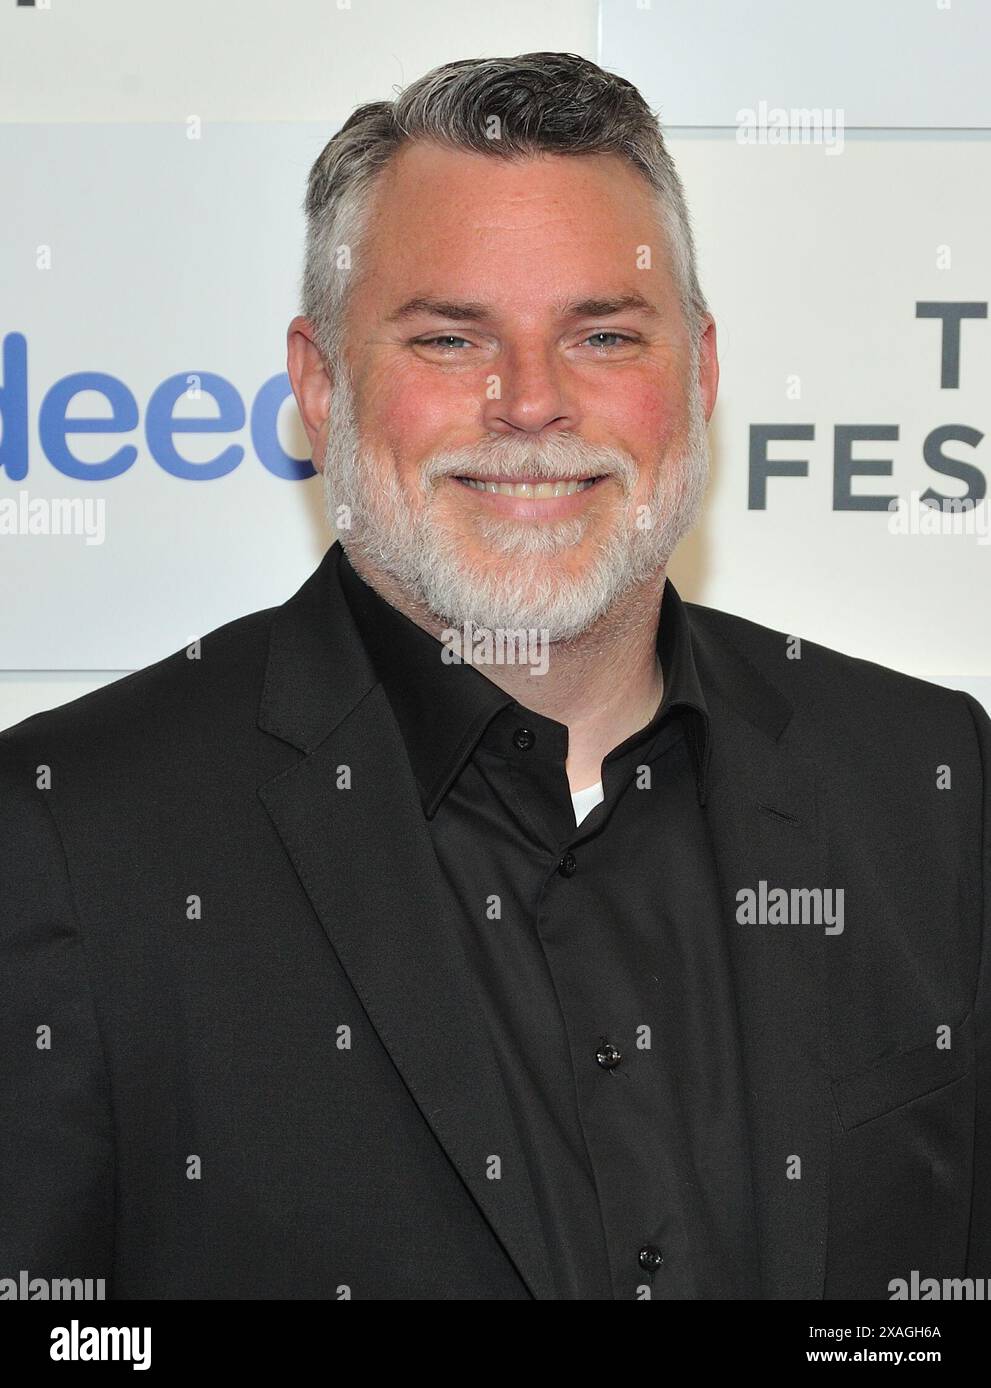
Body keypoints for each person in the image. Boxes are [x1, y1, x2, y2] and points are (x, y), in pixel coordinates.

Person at [1, 52, 987, 1301]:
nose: (530, 401)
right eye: (451, 336)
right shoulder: (67, 831)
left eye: (604, 334)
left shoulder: (924, 782)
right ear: (319, 385)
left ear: (699, 374)